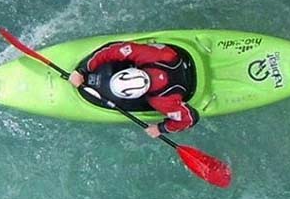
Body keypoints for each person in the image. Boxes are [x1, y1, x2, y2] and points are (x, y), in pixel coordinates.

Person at [66, 39, 199, 136]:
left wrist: (162, 128)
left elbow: (191, 118)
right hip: (174, 58)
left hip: (185, 81)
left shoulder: (160, 101)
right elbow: (114, 49)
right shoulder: (150, 56)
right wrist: (83, 69)